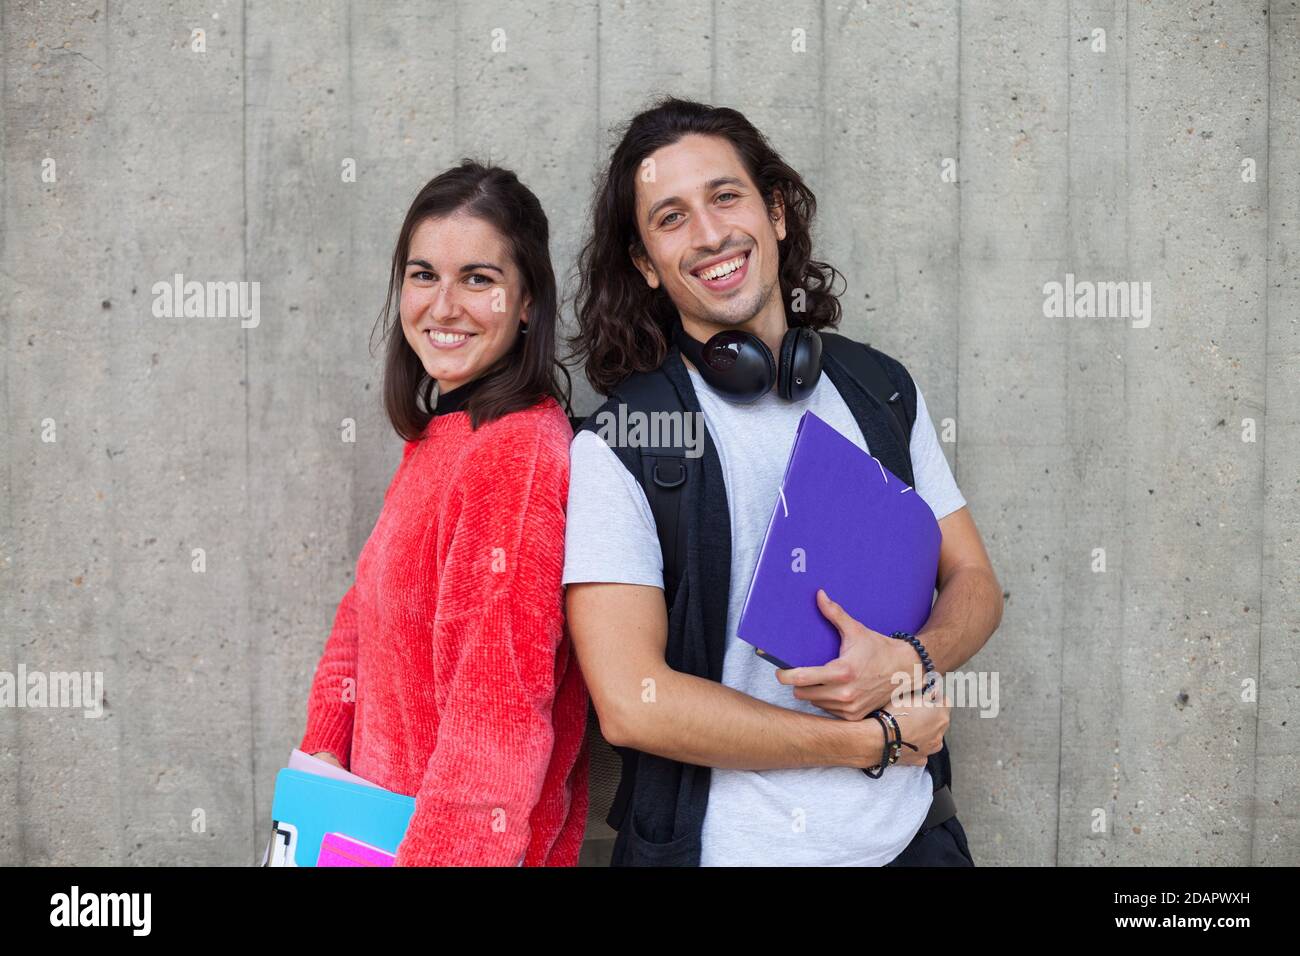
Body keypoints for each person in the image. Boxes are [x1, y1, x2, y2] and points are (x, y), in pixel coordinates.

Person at [564, 98, 1002, 866]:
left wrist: (911, 662)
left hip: (913, 842)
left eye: (725, 196)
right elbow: (634, 704)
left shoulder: (882, 389)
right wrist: (864, 740)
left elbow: (974, 580)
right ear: (645, 264)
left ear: (775, 212)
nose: (708, 234)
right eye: (670, 218)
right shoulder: (622, 443)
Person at [299, 161, 589, 866]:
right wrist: (317, 768)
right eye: (424, 275)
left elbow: (497, 717)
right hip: (364, 831)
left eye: (479, 280)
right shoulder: (444, 436)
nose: (444, 305)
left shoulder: (515, 455)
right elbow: (362, 614)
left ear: (527, 304)